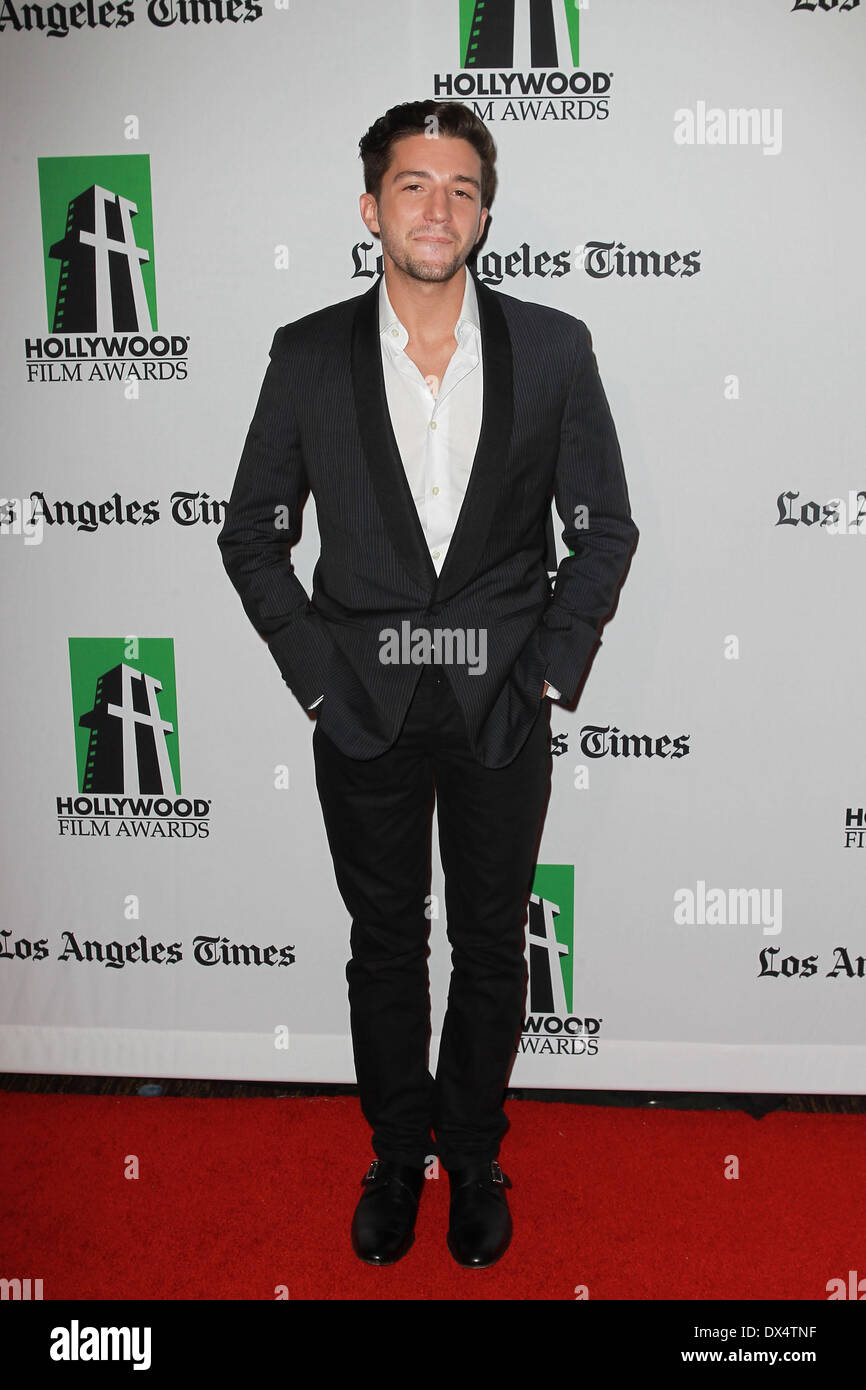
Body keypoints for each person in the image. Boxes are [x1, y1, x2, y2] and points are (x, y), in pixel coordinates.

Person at [217, 99, 638, 1269]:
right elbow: (252, 533)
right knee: (385, 942)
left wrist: (549, 673)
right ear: (370, 207)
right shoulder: (306, 354)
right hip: (362, 709)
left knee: (494, 945)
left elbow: (600, 528)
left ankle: (473, 1148)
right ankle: (399, 1152)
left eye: (458, 187)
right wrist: (316, 681)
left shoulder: (553, 346)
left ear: (484, 214)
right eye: (412, 185)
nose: (435, 207)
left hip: (500, 703)